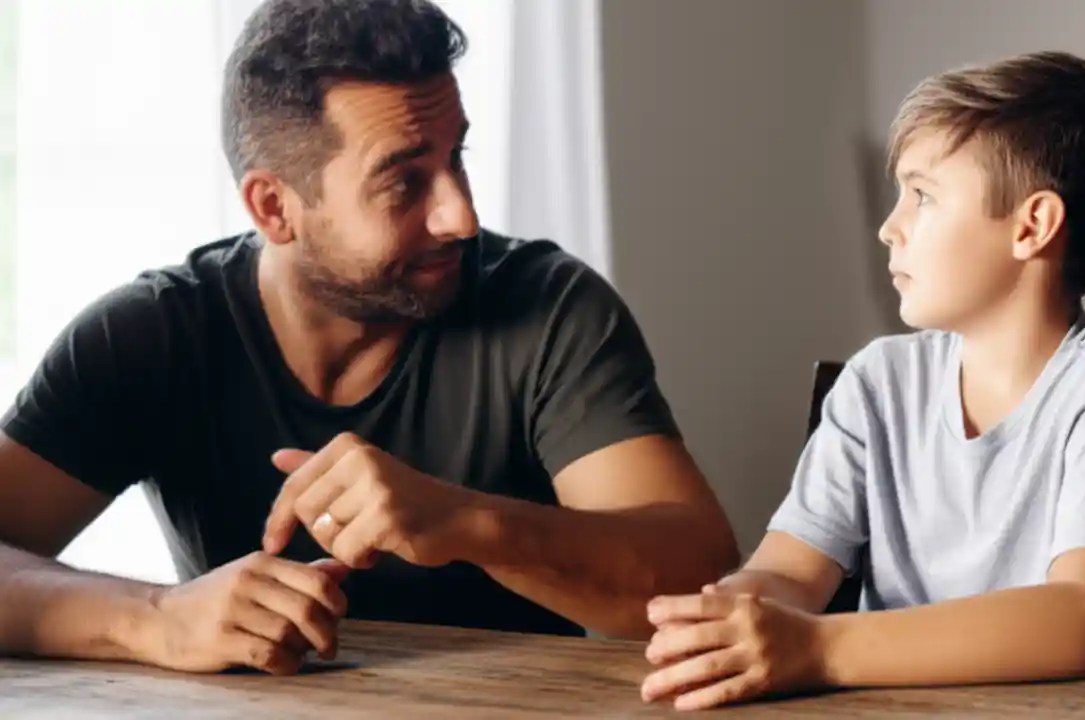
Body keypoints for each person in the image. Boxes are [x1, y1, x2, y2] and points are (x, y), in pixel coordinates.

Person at [0, 0, 737, 676]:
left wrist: (466, 522)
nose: (460, 216)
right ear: (274, 207)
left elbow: (697, 573)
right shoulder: (152, 335)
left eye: (457, 158)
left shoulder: (547, 307)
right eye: (404, 183)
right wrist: (156, 619)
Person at [641, 51, 1085, 711]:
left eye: (922, 196)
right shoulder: (878, 382)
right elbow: (789, 572)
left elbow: (1082, 619)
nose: (889, 228)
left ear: (1032, 226)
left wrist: (819, 648)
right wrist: (728, 616)